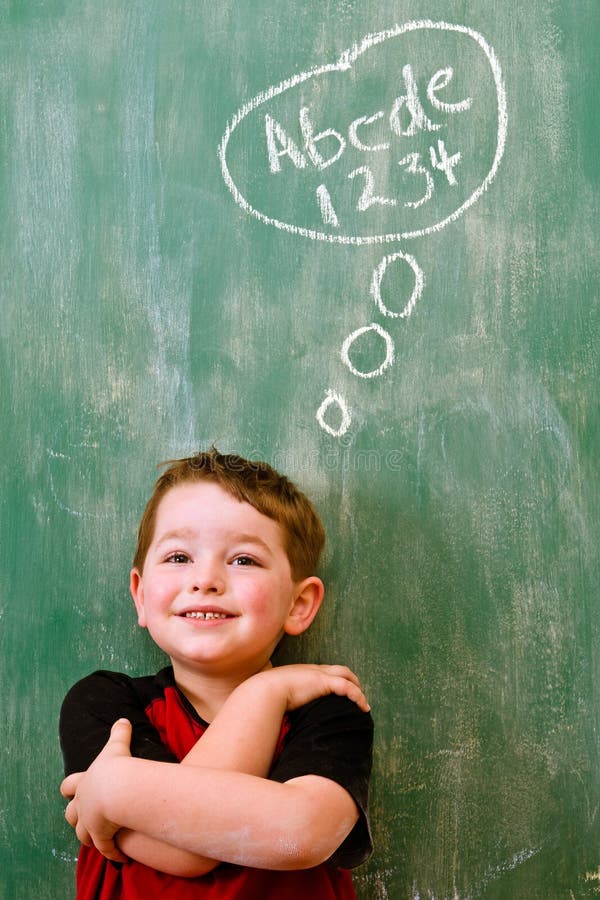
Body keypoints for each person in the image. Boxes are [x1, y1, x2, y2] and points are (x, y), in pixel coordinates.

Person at [59, 449, 373, 899]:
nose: (205, 579)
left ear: (298, 604)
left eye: (243, 560)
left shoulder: (330, 709)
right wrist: (266, 694)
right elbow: (178, 851)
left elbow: (300, 833)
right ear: (141, 594)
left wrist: (113, 785)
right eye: (178, 557)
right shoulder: (104, 704)